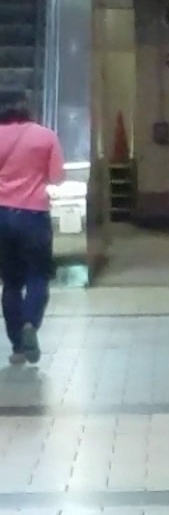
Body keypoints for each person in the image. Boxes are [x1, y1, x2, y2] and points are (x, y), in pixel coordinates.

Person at [0, 90, 63, 365]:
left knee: (11, 282)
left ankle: (17, 347)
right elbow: (57, 177)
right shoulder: (45, 136)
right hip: (35, 216)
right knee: (38, 276)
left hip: (2, 217)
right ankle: (30, 325)